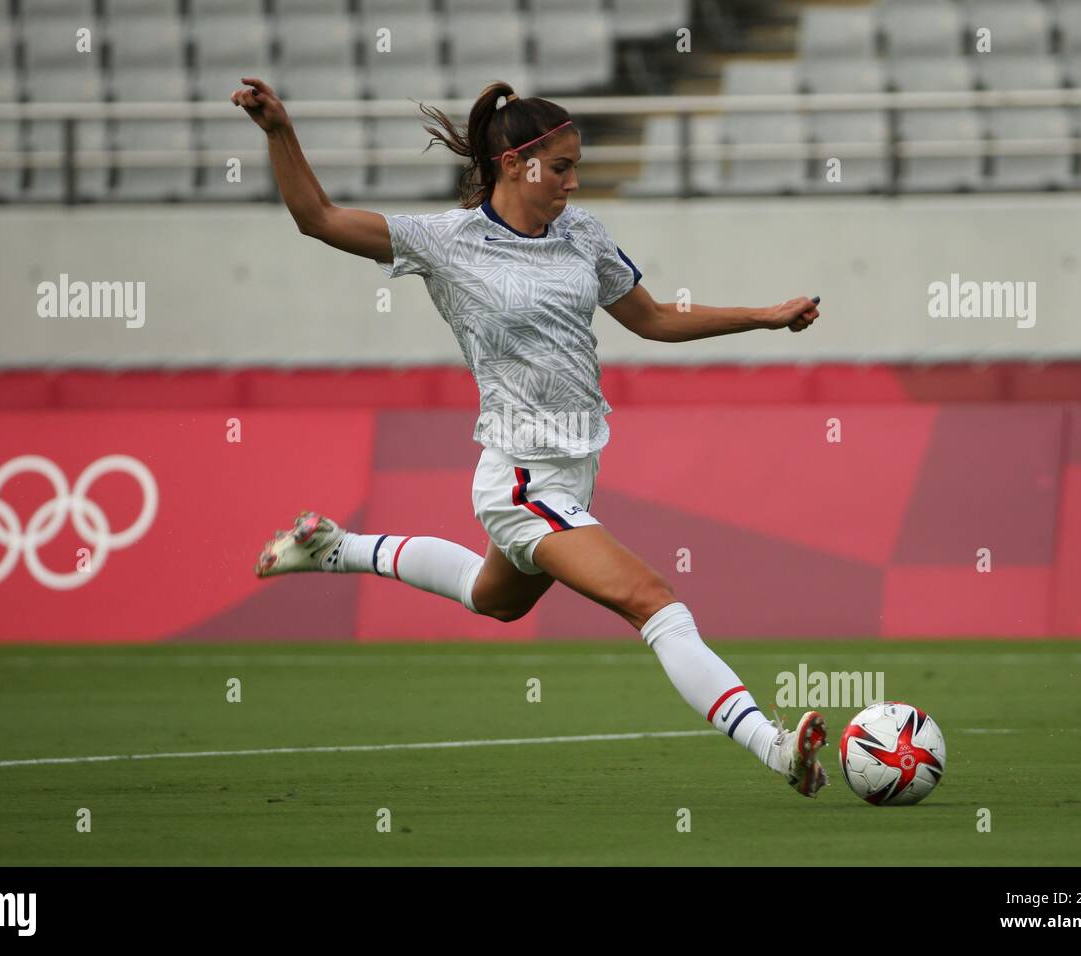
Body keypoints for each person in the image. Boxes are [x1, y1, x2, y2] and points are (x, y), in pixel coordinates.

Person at [233, 77, 827, 796]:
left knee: (497, 599)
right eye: (563, 167)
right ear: (514, 163)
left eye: (578, 165)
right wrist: (277, 132)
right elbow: (318, 218)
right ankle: (775, 747)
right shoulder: (445, 243)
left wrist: (762, 316)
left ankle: (336, 546)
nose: (575, 182)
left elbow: (654, 319)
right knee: (654, 599)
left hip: (572, 473)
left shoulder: (583, 235)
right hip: (518, 480)